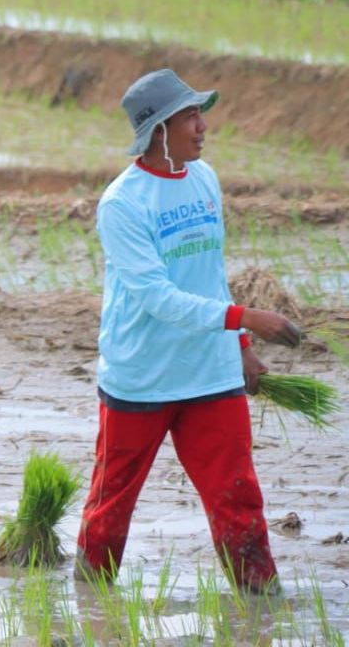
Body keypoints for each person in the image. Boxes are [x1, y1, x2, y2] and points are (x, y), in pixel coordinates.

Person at [77, 68, 303, 593]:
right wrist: (246, 318)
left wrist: (240, 347)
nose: (202, 126)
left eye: (201, 114)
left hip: (210, 371)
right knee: (113, 501)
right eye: (190, 116)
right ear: (159, 130)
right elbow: (156, 297)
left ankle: (259, 599)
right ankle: (89, 601)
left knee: (238, 495)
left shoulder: (204, 179)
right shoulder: (123, 204)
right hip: (142, 376)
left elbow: (210, 273)